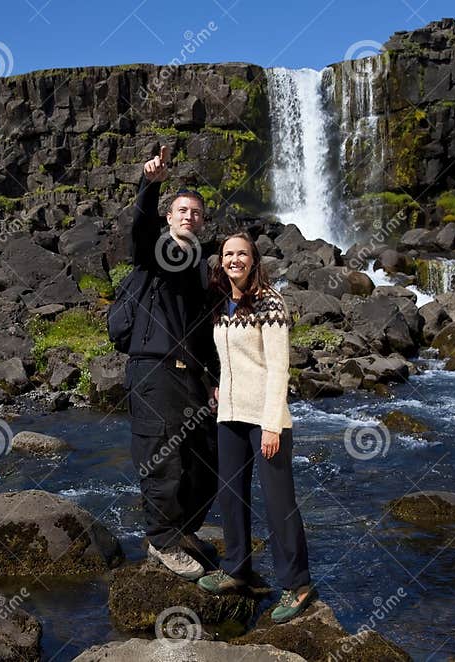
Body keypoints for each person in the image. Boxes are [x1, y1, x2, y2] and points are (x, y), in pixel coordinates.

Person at [195, 232, 316, 624]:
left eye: (241, 254)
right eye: (228, 254)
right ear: (221, 260)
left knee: (279, 503)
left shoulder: (271, 302)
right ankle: (236, 568)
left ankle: (297, 585)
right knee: (231, 495)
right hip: (229, 415)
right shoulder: (219, 301)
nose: (235, 260)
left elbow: (279, 368)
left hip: (266, 420)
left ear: (253, 259)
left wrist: (271, 425)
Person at [125, 145, 219, 580]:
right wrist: (150, 185)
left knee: (205, 459)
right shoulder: (158, 250)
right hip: (153, 370)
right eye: (182, 210)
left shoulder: (201, 266)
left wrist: (215, 377)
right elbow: (140, 232)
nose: (189, 217)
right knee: (162, 457)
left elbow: (205, 332)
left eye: (196, 212)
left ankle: (183, 530)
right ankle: (161, 541)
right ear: (169, 217)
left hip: (192, 374)